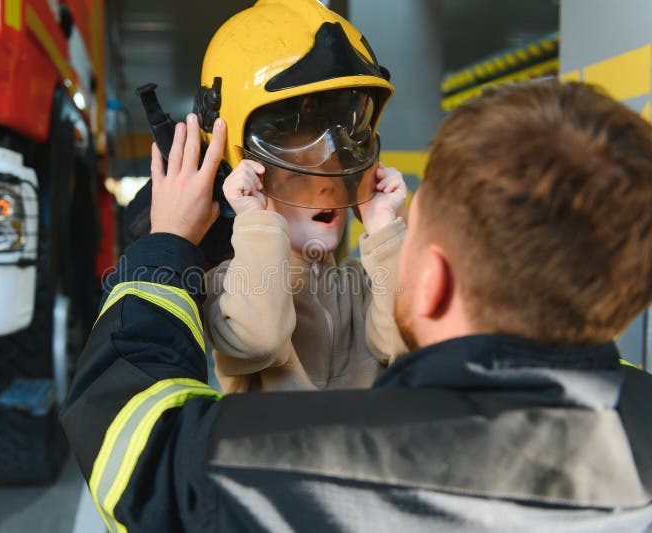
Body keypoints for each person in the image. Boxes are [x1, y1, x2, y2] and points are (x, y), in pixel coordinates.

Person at [61, 79, 652, 531]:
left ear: (434, 282)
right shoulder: (634, 419)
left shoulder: (317, 472)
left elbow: (136, 455)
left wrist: (168, 244)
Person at [200, 0, 407, 393]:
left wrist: (385, 233)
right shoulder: (227, 288)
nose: (326, 186)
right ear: (245, 173)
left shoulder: (361, 284)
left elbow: (404, 344)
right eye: (299, 173)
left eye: (338, 166)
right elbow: (260, 339)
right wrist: (255, 221)